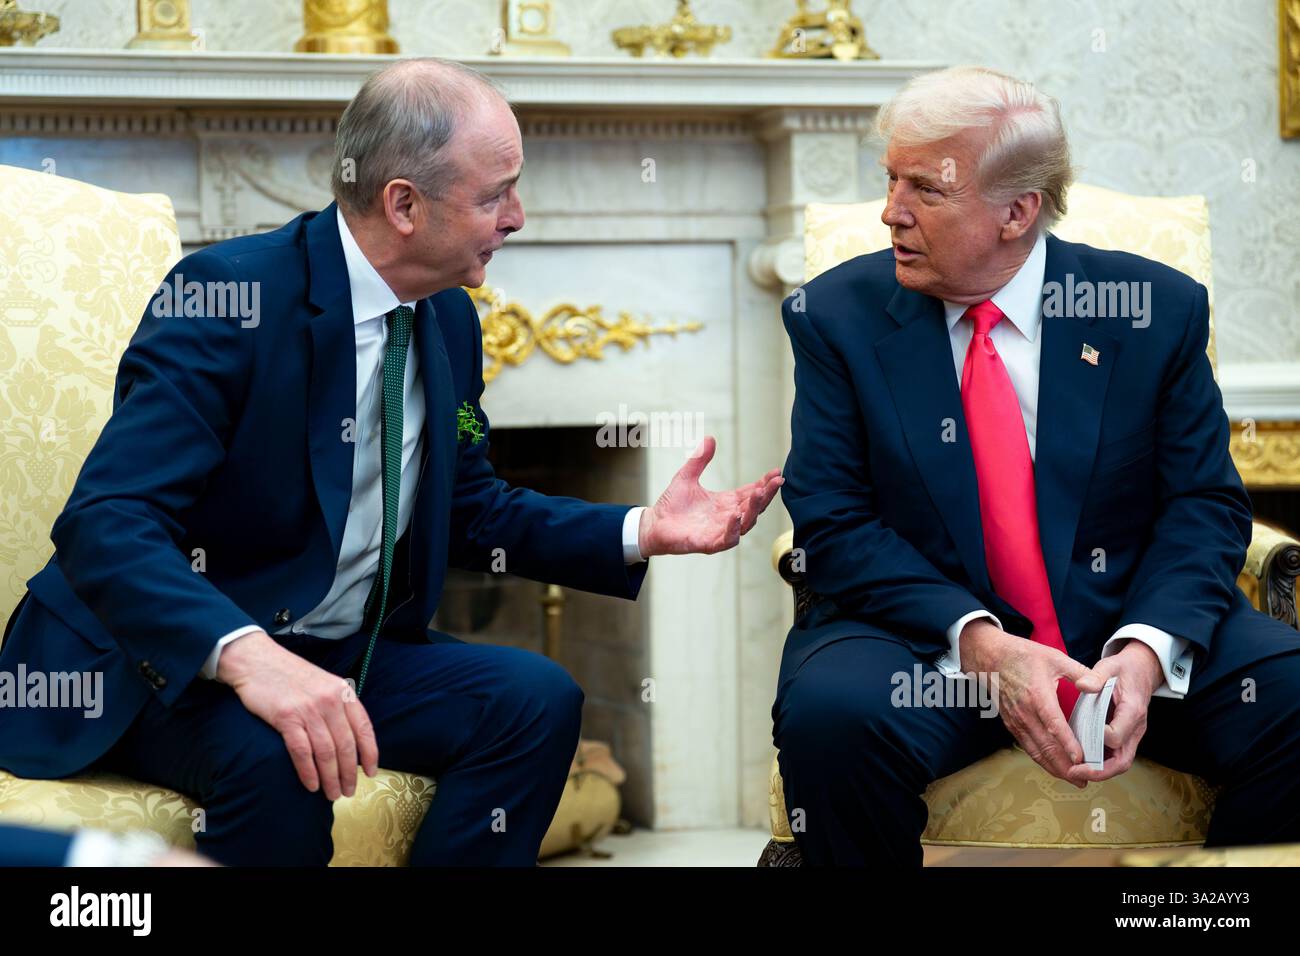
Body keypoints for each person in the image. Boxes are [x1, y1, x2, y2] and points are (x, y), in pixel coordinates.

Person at [0, 57, 782, 866]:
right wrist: (246, 656)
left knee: (533, 700)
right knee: (284, 754)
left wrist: (642, 529)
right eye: (495, 194)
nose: (518, 216)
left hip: (335, 651)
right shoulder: (227, 298)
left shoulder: (447, 315)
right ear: (402, 203)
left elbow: (470, 510)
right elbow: (107, 522)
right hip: (155, 660)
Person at [773, 64, 1300, 866]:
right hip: (925, 644)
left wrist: (1146, 647)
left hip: (1119, 628)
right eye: (890, 181)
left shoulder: (1153, 310)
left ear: (1018, 211)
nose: (890, 213)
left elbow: (1203, 504)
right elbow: (833, 518)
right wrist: (981, 642)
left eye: (925, 189)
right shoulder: (835, 317)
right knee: (832, 716)